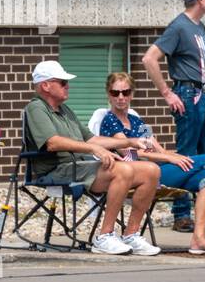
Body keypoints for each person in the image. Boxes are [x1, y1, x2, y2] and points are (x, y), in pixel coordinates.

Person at [96, 71, 205, 255]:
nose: (121, 97)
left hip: (155, 170)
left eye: (125, 92)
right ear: (108, 95)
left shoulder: (136, 121)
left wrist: (173, 156)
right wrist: (170, 158)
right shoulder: (109, 120)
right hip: (137, 176)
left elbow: (156, 149)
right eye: (115, 93)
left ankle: (199, 238)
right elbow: (132, 151)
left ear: (132, 94)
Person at [24, 61, 163, 255]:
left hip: (80, 165)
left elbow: (93, 138)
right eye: (63, 82)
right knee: (123, 169)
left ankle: (131, 234)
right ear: (46, 85)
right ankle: (104, 236)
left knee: (151, 171)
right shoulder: (36, 108)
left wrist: (129, 142)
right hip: (58, 169)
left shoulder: (65, 110)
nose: (68, 86)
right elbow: (52, 143)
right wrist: (94, 149)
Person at [142, 0, 205, 233]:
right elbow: (150, 58)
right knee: (187, 157)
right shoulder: (179, 26)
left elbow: (204, 67)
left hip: (204, 95)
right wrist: (167, 92)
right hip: (188, 94)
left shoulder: (199, 27)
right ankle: (181, 213)